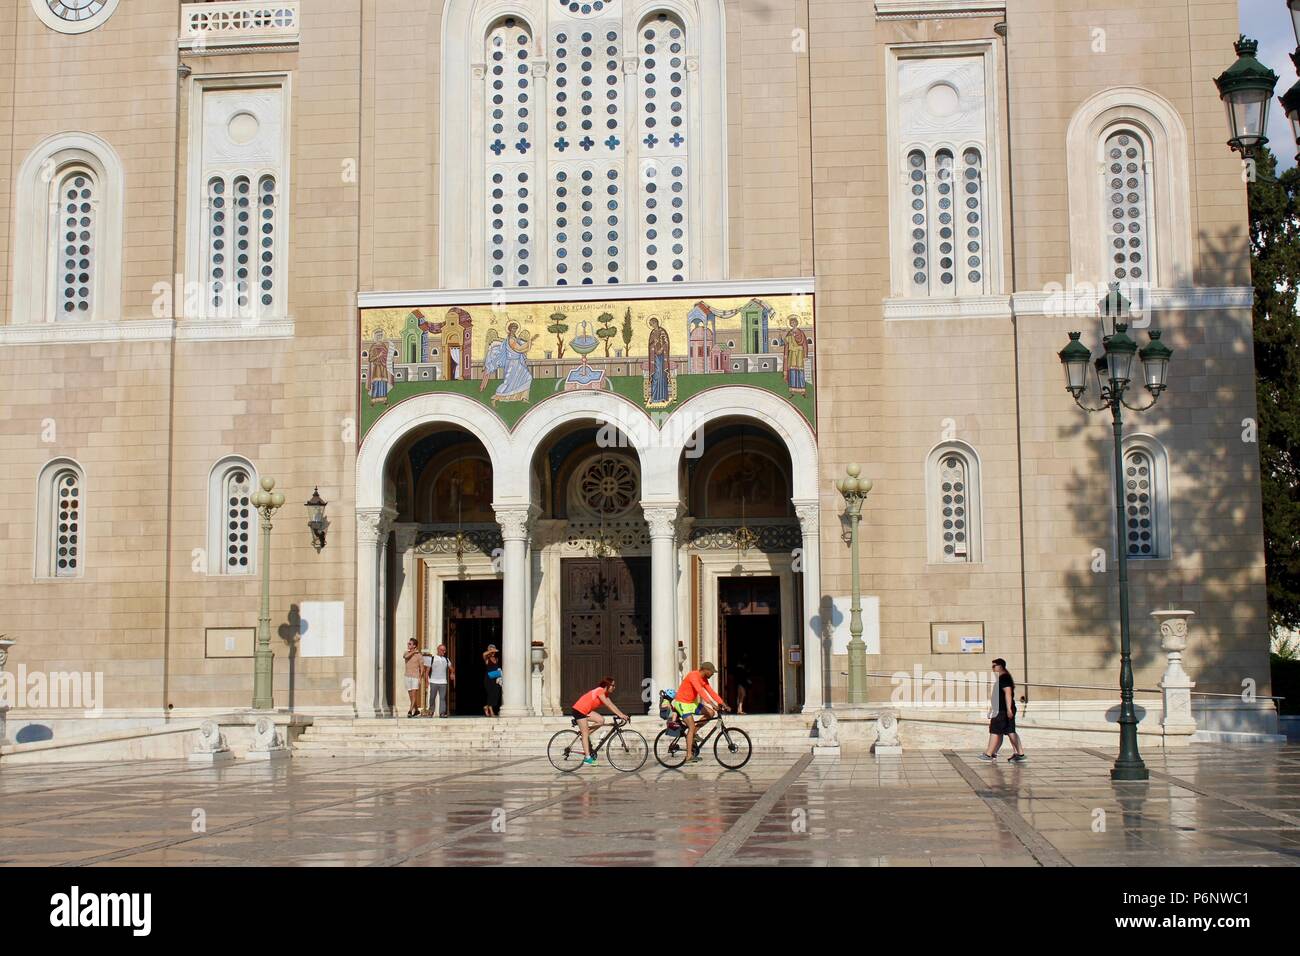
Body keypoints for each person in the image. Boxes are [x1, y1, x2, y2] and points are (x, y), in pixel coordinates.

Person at [673, 661, 727, 764]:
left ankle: (694, 733)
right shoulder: (693, 675)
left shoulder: (704, 679)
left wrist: (723, 703)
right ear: (706, 670)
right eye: (712, 672)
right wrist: (711, 703)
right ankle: (688, 756)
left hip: (691, 703)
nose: (712, 674)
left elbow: (711, 692)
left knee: (711, 713)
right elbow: (700, 691)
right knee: (691, 727)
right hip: (682, 703)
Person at [571, 677, 630, 766]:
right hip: (579, 710)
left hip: (586, 711)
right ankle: (587, 758)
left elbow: (611, 705)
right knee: (585, 734)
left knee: (601, 720)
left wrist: (622, 714)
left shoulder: (605, 695)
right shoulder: (600, 691)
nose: (614, 687)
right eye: (613, 686)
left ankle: (584, 735)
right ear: (607, 685)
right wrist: (620, 715)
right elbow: (607, 705)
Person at [979, 658, 1026, 762]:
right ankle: (1020, 754)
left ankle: (989, 754)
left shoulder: (1004, 678)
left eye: (994, 666)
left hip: (1002, 710)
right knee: (1010, 731)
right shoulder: (1003, 677)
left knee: (995, 731)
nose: (992, 668)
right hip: (1002, 709)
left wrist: (1009, 709)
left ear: (1000, 666)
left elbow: (1008, 693)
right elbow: (998, 696)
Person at [426, 643, 454, 718]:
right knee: (432, 697)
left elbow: (451, 668)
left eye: (444, 650)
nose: (444, 652)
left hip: (443, 682)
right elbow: (427, 671)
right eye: (442, 650)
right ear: (438, 650)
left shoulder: (446, 659)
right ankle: (431, 711)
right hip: (433, 681)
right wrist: (426, 681)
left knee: (442, 698)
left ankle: (442, 713)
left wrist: (452, 673)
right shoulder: (432, 658)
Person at [402, 639, 424, 718]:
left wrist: (420, 678)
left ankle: (410, 711)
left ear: (414, 645)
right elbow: (406, 657)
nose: (408, 645)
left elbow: (422, 668)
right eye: (408, 643)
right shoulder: (406, 653)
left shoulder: (419, 655)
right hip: (407, 676)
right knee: (410, 695)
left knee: (414, 695)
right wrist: (413, 652)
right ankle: (417, 710)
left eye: (410, 644)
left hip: (415, 676)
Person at [482, 645, 503, 717]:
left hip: (496, 679)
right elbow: (484, 654)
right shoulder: (487, 658)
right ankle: (491, 711)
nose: (494, 652)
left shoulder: (496, 658)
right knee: (491, 694)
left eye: (494, 650)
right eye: (492, 650)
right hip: (489, 679)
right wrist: (491, 650)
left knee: (496, 694)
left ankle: (486, 706)